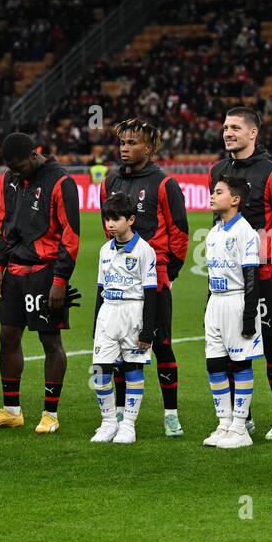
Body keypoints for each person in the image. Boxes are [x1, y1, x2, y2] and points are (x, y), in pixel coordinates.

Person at [0, 133, 81, 434]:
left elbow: (70, 236)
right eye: (10, 167)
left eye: (20, 165)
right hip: (15, 271)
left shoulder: (60, 181)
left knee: (50, 340)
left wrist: (60, 280)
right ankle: (11, 410)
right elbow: (6, 226)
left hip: (46, 273)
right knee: (7, 336)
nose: (16, 171)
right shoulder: (10, 180)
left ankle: (50, 413)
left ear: (34, 155)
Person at [210, 107, 272, 440]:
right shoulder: (218, 170)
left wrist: (261, 259)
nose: (227, 133)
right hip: (225, 284)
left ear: (253, 133)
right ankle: (240, 418)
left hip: (263, 279)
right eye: (224, 127)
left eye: (235, 127)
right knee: (229, 350)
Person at [101, 118, 190, 437]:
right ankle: (123, 412)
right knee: (120, 348)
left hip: (155, 276)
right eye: (122, 143)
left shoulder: (164, 184)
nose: (125, 148)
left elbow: (179, 231)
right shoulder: (110, 180)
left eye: (132, 143)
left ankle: (171, 414)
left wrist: (168, 270)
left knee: (161, 343)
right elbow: (106, 226)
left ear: (149, 148)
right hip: (117, 279)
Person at [89, 192, 158, 445]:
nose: (109, 224)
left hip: (133, 312)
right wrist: (96, 324)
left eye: (115, 219)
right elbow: (99, 289)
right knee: (99, 370)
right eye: (107, 219)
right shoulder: (104, 250)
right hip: (108, 313)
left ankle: (128, 425)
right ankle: (108, 422)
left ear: (130, 220)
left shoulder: (144, 250)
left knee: (133, 369)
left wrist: (148, 330)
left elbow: (151, 292)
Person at [202, 175, 262, 450]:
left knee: (240, 364)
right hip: (216, 302)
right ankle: (224, 422)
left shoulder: (246, 232)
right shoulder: (214, 232)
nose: (212, 196)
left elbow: (251, 276)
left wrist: (249, 315)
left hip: (237, 302)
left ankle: (240, 426)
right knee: (215, 364)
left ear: (235, 199)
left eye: (218, 192)